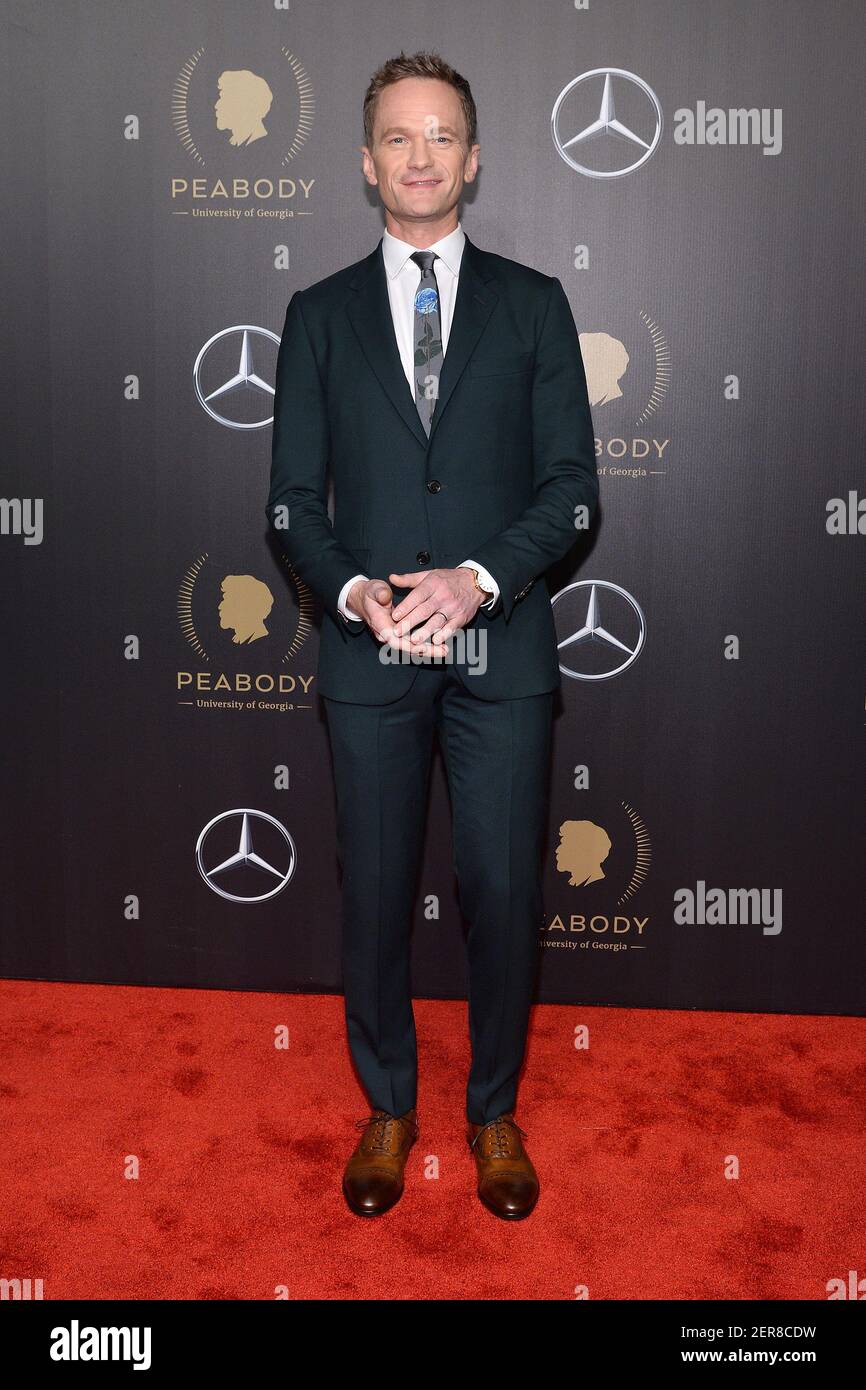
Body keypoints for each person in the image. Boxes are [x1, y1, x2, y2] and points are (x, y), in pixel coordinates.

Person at [266, 50, 598, 1220]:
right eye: (397, 137)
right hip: (368, 657)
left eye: (440, 135)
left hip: (496, 651)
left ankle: (493, 1110)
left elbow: (569, 489)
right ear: (365, 163)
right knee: (371, 896)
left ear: (473, 157)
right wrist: (357, 593)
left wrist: (474, 580)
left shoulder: (535, 303)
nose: (419, 156)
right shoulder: (313, 317)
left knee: (504, 886)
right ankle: (389, 1105)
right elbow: (291, 505)